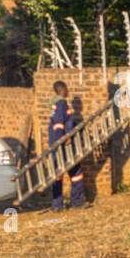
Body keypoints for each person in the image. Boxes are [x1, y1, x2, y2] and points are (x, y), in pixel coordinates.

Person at [47, 81, 85, 209]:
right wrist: (64, 139)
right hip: (62, 144)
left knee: (60, 173)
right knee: (74, 171)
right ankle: (77, 201)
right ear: (62, 89)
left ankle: (58, 205)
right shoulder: (61, 103)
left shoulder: (55, 103)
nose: (68, 91)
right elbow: (59, 124)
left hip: (57, 143)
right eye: (66, 88)